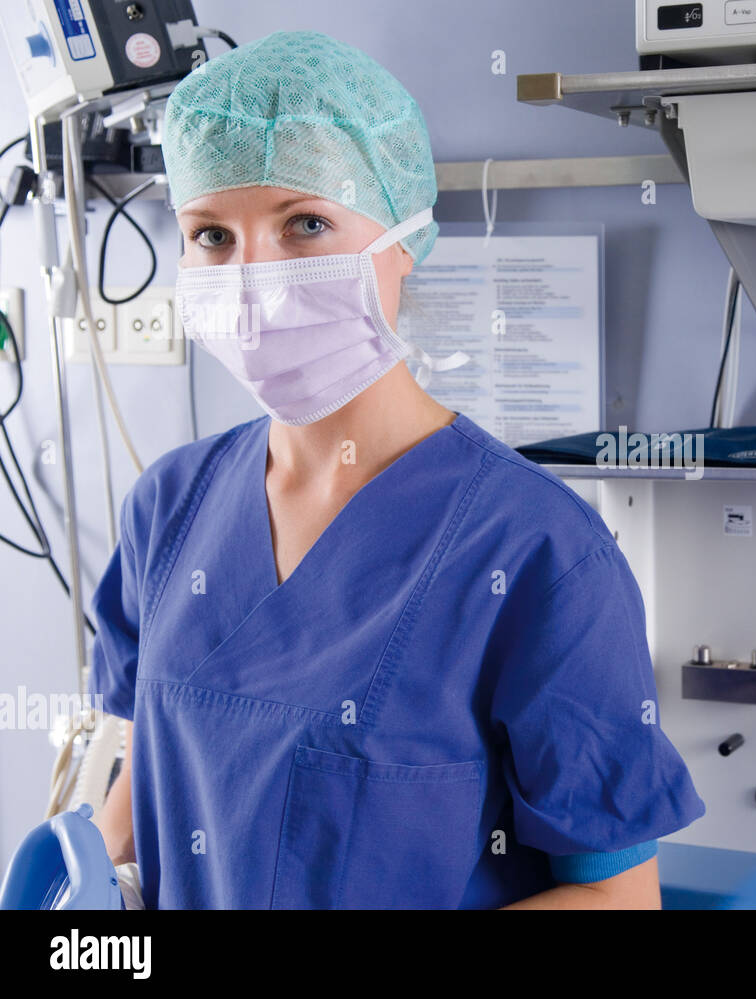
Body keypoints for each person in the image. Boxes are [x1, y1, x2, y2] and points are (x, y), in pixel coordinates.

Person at [89, 30, 705, 909]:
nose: (253, 278)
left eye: (306, 224)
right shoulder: (170, 506)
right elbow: (152, 761)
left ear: (404, 235)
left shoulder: (537, 550)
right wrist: (83, 884)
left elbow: (617, 899)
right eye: (212, 235)